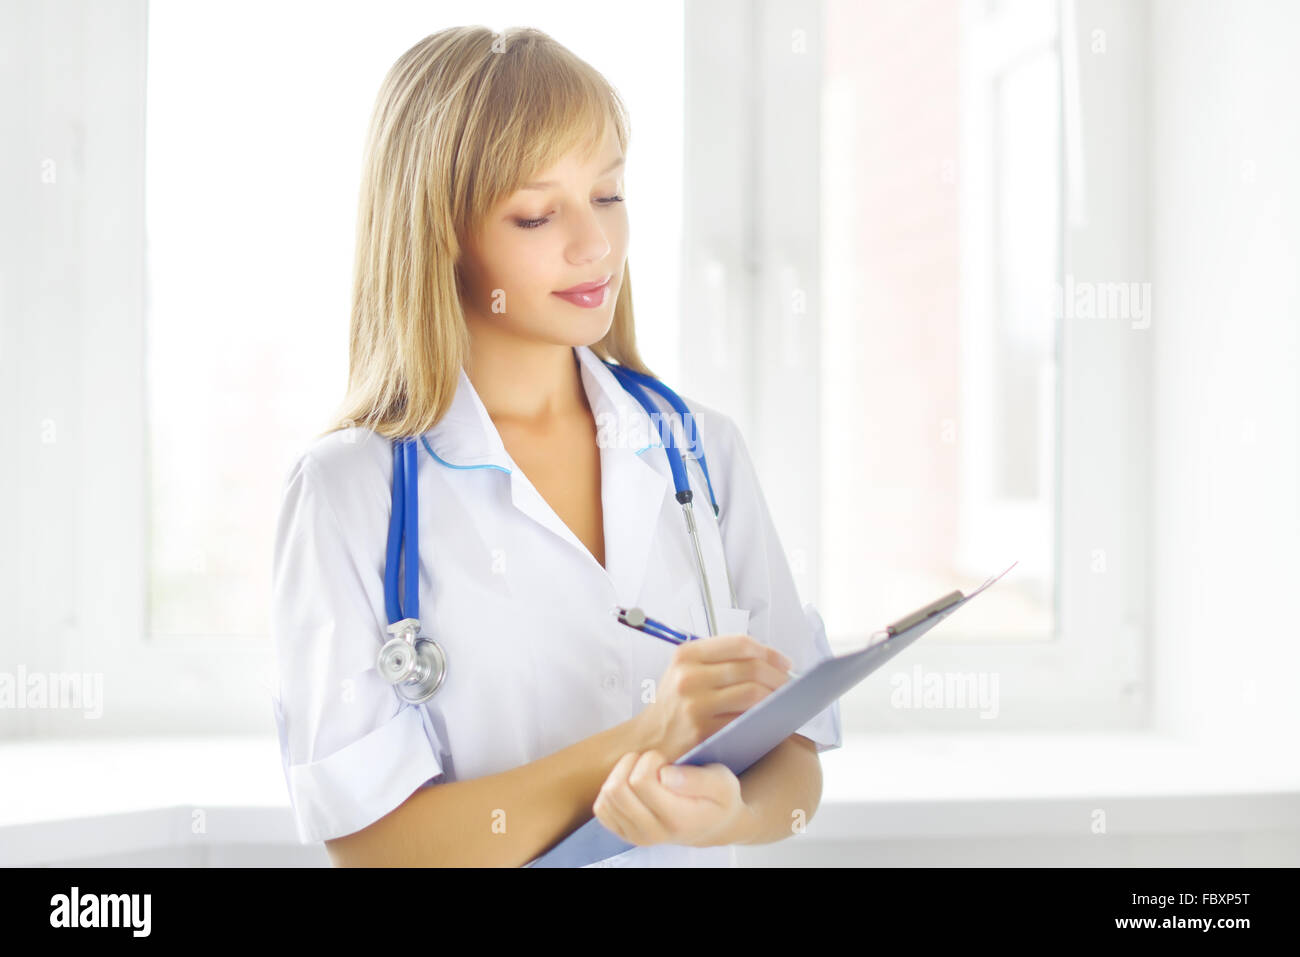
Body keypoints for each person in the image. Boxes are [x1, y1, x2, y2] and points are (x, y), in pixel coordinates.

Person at [270, 24, 842, 868]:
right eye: (539, 213)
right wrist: (644, 738)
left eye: (608, 195)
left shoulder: (698, 449)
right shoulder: (348, 492)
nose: (595, 244)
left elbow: (793, 764)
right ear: (441, 233)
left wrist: (722, 812)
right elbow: (375, 843)